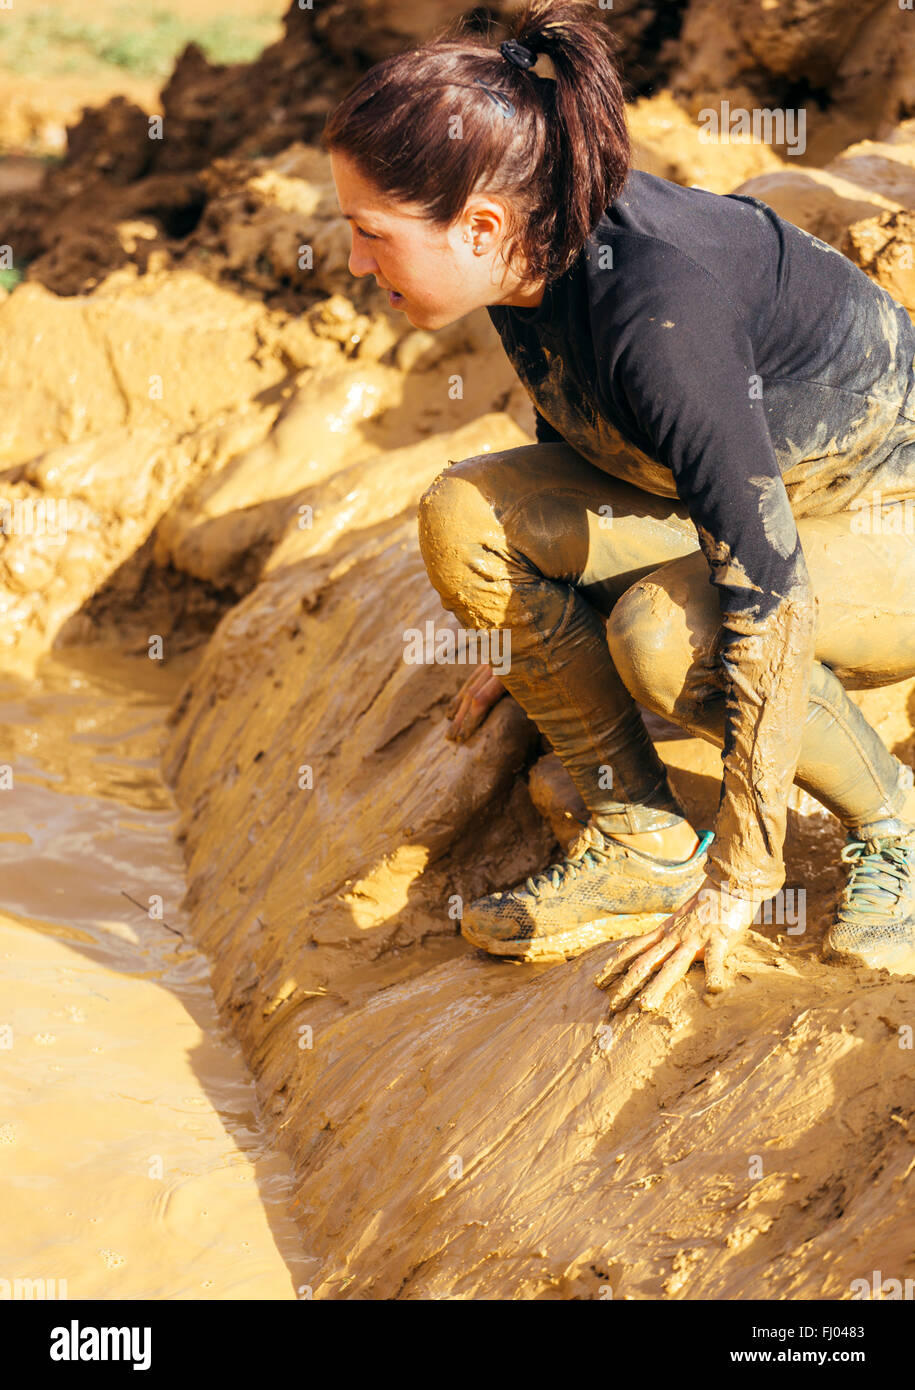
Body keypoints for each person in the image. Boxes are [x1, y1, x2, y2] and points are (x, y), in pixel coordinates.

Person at [323, 0, 915, 1012]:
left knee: (665, 640)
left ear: (479, 226)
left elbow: (766, 594)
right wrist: (544, 642)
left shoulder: (660, 311)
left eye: (371, 234)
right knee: (466, 517)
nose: (351, 263)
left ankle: (894, 823)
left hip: (882, 513)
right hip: (760, 487)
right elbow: (585, 423)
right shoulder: (529, 252)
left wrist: (741, 881)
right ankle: (642, 837)